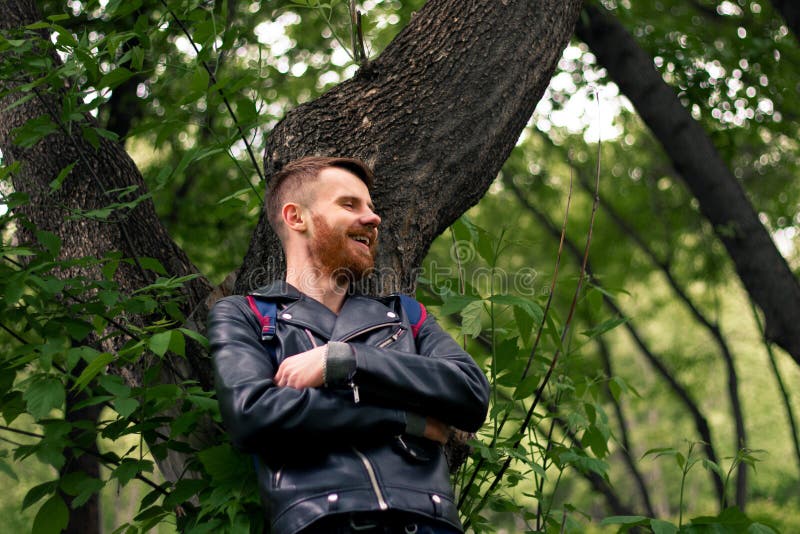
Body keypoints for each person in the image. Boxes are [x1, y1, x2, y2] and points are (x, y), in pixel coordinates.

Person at [209, 156, 490, 533]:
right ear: (296, 218)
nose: (374, 219)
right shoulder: (246, 314)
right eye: (349, 204)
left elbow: (470, 392)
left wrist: (346, 359)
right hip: (321, 523)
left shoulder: (406, 315)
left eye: (372, 208)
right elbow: (252, 416)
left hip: (428, 523)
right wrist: (402, 419)